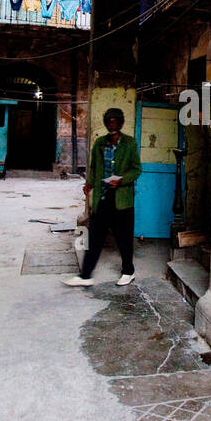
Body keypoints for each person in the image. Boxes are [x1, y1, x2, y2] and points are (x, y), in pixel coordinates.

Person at [64, 107, 141, 287]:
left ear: (121, 123)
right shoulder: (99, 143)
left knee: (124, 237)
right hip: (103, 196)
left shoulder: (129, 143)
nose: (111, 124)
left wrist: (121, 180)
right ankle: (85, 276)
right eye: (108, 121)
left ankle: (128, 272)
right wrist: (89, 183)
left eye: (114, 121)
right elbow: (94, 167)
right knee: (95, 236)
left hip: (122, 199)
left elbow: (136, 169)